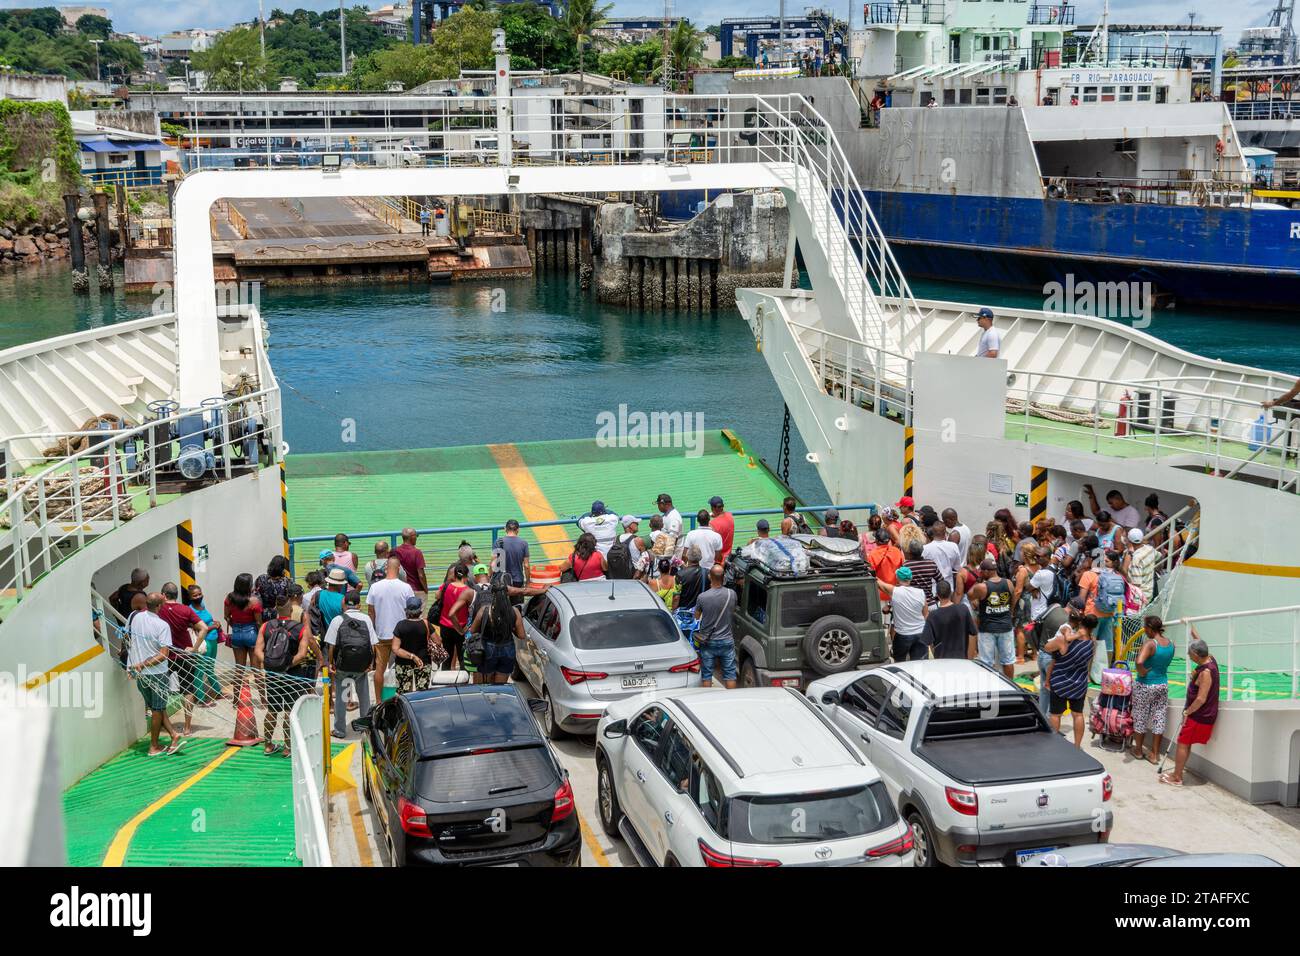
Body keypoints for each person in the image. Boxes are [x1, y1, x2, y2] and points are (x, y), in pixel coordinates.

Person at [127, 592, 185, 756]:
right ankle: (154, 746)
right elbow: (163, 655)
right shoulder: (162, 626)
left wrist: (132, 666)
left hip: (141, 673)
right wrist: (143, 664)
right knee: (157, 710)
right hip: (156, 673)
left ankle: (174, 735)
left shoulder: (136, 618)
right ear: (159, 606)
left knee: (156, 707)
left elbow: (131, 641)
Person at [1160, 630, 1219, 786]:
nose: (1188, 656)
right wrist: (1192, 631)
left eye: (1189, 653)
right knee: (1186, 743)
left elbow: (1201, 699)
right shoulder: (1211, 659)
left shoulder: (1206, 672)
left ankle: (1177, 777)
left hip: (1199, 716)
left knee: (1183, 743)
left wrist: (1187, 711)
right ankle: (1177, 773)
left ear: (1196, 654)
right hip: (1199, 715)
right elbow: (1200, 643)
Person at [255, 595, 312, 756]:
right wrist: (287, 665)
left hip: (272, 674)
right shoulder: (300, 628)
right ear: (291, 610)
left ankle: (268, 745)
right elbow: (301, 655)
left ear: (276, 610)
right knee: (289, 711)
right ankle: (288, 747)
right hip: (293, 674)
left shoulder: (266, 626)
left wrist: (271, 665)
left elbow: (258, 651)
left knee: (272, 710)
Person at [158, 582, 209, 737]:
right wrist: (194, 649)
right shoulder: (186, 610)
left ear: (163, 595)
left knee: (159, 689)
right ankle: (187, 727)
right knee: (187, 689)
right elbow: (204, 628)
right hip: (185, 655)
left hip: (164, 656)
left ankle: (164, 724)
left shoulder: (158, 610)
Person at [324, 588, 378, 737]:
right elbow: (373, 644)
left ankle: (340, 730)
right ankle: (365, 729)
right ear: (359, 605)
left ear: (344, 604)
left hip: (343, 667)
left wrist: (331, 663)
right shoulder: (366, 619)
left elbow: (331, 645)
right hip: (362, 667)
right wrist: (371, 663)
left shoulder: (337, 620)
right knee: (364, 697)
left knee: (342, 698)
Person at [1043, 607, 1096, 747]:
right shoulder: (1092, 642)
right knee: (1078, 714)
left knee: (1055, 715)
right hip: (1079, 683)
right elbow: (1089, 662)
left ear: (1080, 623)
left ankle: (1054, 745)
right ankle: (1077, 746)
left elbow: (1046, 647)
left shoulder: (1063, 640)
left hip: (1060, 682)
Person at [368, 555, 416, 705]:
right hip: (401, 635)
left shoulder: (375, 587)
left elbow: (371, 612)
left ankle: (378, 700)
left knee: (380, 669)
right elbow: (412, 611)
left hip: (381, 634)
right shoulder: (406, 587)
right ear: (399, 568)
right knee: (403, 668)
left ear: (386, 568)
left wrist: (374, 630)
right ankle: (403, 699)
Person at [1131, 614, 1174, 763]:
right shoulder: (1170, 644)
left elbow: (1139, 661)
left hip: (1145, 685)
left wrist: (1141, 671)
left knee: (1140, 717)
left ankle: (1138, 750)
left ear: (1150, 628)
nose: (1144, 630)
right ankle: (1155, 754)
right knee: (1159, 718)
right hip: (1162, 684)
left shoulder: (1150, 644)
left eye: (1145, 627)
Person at [473, 577, 524, 685]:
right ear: (507, 593)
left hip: (488, 648)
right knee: (500, 686)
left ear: (492, 594)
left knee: (487, 685)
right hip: (508, 648)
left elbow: (473, 630)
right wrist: (511, 628)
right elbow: (521, 635)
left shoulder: (485, 610)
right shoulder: (514, 611)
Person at [694, 566, 739, 688]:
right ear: (723, 577)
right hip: (727, 640)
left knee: (707, 674)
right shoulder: (732, 594)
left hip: (708, 641)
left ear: (710, 577)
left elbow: (696, 617)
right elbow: (733, 610)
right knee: (730, 674)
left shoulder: (702, 597)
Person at [969, 558, 1015, 677]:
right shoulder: (1008, 583)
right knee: (1008, 661)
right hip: (1006, 627)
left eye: (981, 571)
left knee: (987, 662)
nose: (980, 574)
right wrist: (1009, 612)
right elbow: (1013, 599)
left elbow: (970, 595)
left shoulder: (982, 587)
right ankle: (1012, 687)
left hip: (987, 629)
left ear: (987, 571)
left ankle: (989, 687)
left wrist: (977, 582)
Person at [223, 573, 263, 702]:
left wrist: (234, 624)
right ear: (248, 586)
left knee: (239, 668)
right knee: (256, 669)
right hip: (251, 634)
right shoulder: (254, 601)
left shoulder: (229, 598)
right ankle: (263, 700)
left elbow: (226, 616)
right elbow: (258, 622)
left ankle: (236, 700)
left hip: (236, 635)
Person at [393, 595, 444, 693]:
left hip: (403, 663)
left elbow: (395, 648)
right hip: (423, 662)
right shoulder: (426, 624)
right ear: (420, 610)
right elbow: (438, 641)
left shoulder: (400, 625)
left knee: (404, 694)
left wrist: (412, 656)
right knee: (422, 693)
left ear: (407, 610)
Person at [877, 566, 928, 661]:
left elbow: (878, 583)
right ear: (910, 578)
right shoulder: (920, 592)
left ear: (897, 578)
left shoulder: (895, 591)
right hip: (921, 633)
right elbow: (926, 614)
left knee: (900, 663)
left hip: (903, 635)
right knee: (920, 664)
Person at [184, 584, 223, 706]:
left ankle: (217, 691)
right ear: (190, 597)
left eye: (199, 594)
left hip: (213, 639)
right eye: (195, 595)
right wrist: (212, 626)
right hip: (203, 643)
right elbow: (193, 626)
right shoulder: (190, 610)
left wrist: (215, 624)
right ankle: (200, 699)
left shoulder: (202, 606)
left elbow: (206, 620)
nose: (198, 596)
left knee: (210, 668)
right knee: (200, 670)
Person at [922, 580, 977, 660]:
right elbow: (973, 633)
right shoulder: (963, 609)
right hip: (962, 660)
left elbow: (928, 642)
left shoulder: (933, 616)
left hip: (943, 662)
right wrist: (970, 657)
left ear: (937, 595)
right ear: (951, 593)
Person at [436, 563, 473, 669]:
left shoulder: (446, 585)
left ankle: (446, 683)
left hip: (445, 626)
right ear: (466, 576)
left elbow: (437, 595)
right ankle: (464, 683)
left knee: (447, 657)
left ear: (455, 575)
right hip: (462, 627)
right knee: (462, 658)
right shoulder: (468, 591)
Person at [867, 528, 904, 602]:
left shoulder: (872, 555)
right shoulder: (897, 551)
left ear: (876, 541)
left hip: (880, 593)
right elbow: (903, 568)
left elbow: (870, 575)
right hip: (896, 592)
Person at [1124, 527, 1157, 610]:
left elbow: (1136, 584)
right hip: (1149, 591)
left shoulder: (1136, 558)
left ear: (1129, 541)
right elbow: (1158, 556)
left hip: (1139, 598)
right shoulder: (1150, 549)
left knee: (1134, 621)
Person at [922, 521, 961, 591]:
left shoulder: (925, 549)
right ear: (945, 532)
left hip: (932, 587)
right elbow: (957, 567)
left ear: (933, 533)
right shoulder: (953, 546)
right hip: (948, 586)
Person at [392, 528, 429, 598]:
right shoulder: (417, 552)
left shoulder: (395, 551)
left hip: (400, 589)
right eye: (416, 536)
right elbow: (421, 575)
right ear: (412, 537)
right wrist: (426, 589)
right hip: (416, 590)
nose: (416, 538)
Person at [902, 541, 941, 606]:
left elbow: (901, 586)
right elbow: (941, 581)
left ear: (910, 552)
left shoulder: (906, 566)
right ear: (922, 550)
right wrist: (937, 596)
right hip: (930, 603)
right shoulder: (931, 564)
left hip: (914, 605)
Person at [498, 518, 531, 590]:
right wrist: (528, 582)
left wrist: (489, 576)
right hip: (518, 580)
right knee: (518, 601)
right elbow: (526, 565)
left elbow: (493, 562)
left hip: (503, 580)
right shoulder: (524, 543)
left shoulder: (498, 542)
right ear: (518, 530)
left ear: (505, 529)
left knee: (503, 600)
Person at [676, 546, 707, 612]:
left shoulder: (680, 574)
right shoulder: (707, 573)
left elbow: (676, 596)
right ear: (700, 558)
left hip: (683, 611)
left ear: (687, 557)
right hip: (700, 610)